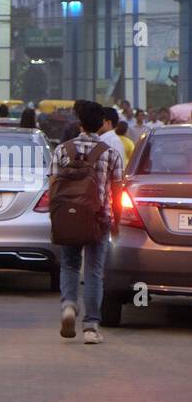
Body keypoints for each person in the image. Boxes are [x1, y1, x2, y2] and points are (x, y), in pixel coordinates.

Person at [51, 100, 123, 345]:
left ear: (80, 124)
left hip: (68, 217)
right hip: (98, 219)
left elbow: (52, 186)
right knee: (93, 271)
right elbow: (117, 192)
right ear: (102, 124)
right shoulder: (110, 153)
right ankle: (91, 327)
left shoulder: (62, 150)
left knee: (69, 265)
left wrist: (57, 216)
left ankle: (69, 305)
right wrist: (116, 223)